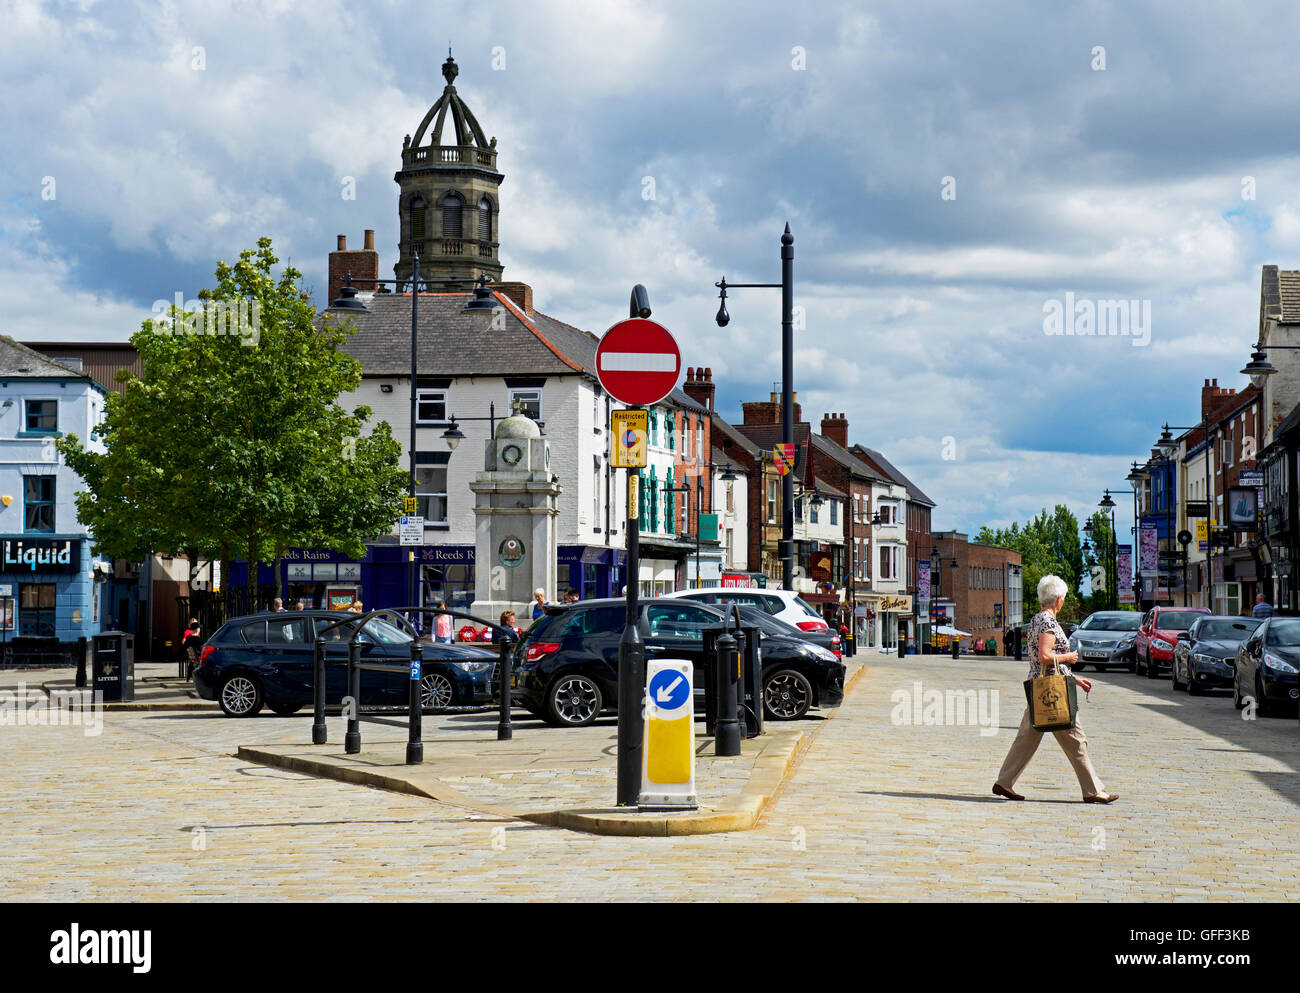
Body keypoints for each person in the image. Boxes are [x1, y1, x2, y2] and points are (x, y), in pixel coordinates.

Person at [993, 574, 1118, 804]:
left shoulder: (1037, 619)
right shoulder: (1048, 622)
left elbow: (1045, 660)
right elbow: (1044, 656)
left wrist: (1075, 679)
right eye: (1064, 598)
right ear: (1059, 599)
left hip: (1041, 687)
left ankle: (1004, 781)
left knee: (1026, 739)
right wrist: (1069, 657)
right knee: (1076, 740)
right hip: (1053, 693)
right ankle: (1093, 790)